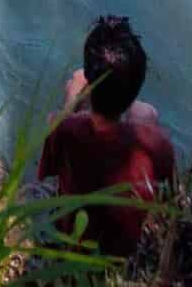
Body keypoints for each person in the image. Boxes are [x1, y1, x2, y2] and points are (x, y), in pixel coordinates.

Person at [37, 15, 176, 257]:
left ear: (90, 83)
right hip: (120, 257)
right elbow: (169, 195)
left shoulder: (65, 131)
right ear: (138, 86)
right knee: (147, 113)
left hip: (70, 237)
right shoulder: (158, 146)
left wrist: (71, 99)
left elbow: (46, 174)